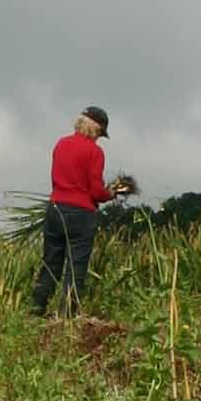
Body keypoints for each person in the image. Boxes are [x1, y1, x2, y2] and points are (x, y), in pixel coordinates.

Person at [30, 106, 135, 315]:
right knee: (76, 268)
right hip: (80, 215)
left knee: (51, 263)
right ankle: (67, 316)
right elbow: (96, 191)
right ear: (96, 130)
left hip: (55, 209)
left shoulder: (61, 144)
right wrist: (112, 193)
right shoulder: (94, 152)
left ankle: (36, 309)